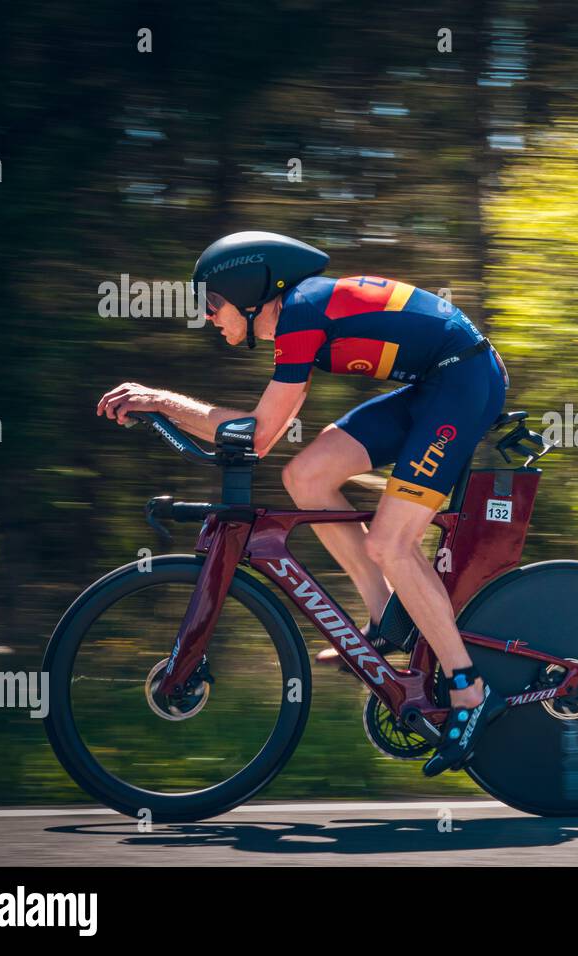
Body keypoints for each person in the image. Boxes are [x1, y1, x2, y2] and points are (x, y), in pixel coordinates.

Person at [96, 231, 509, 776]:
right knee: (306, 475)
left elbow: (258, 435)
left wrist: (161, 401)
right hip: (438, 384)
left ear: (248, 290)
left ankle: (469, 689)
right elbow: (261, 440)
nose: (208, 317)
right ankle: (390, 619)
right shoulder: (302, 315)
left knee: (392, 542)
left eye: (213, 303)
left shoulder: (302, 314)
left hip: (465, 383)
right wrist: (163, 409)